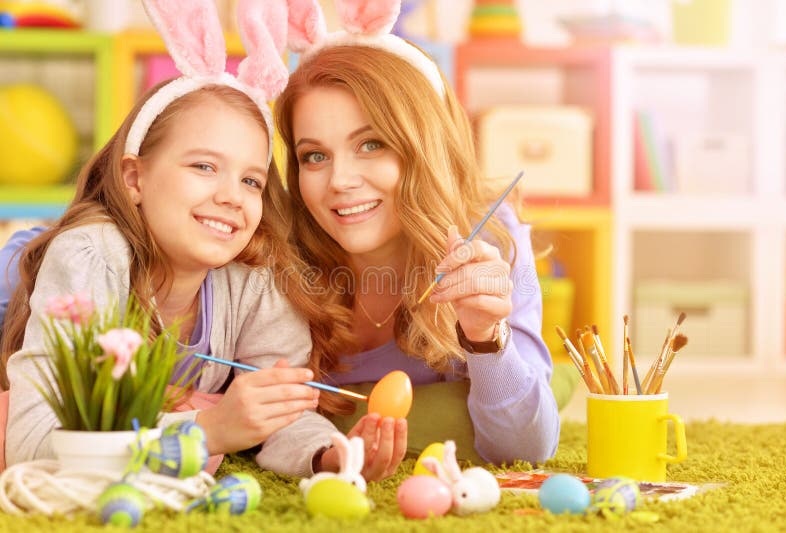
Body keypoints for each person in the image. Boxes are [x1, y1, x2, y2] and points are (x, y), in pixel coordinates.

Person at [0, 0, 338, 476]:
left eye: (251, 181)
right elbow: (31, 444)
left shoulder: (255, 275)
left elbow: (282, 413)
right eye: (203, 166)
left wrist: (328, 455)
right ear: (135, 179)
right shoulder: (90, 255)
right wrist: (208, 430)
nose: (232, 197)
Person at [274, 0, 560, 467]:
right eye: (314, 156)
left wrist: (486, 337)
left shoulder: (491, 237)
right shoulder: (280, 250)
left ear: (424, 146)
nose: (340, 180)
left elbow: (527, 448)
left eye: (371, 144)